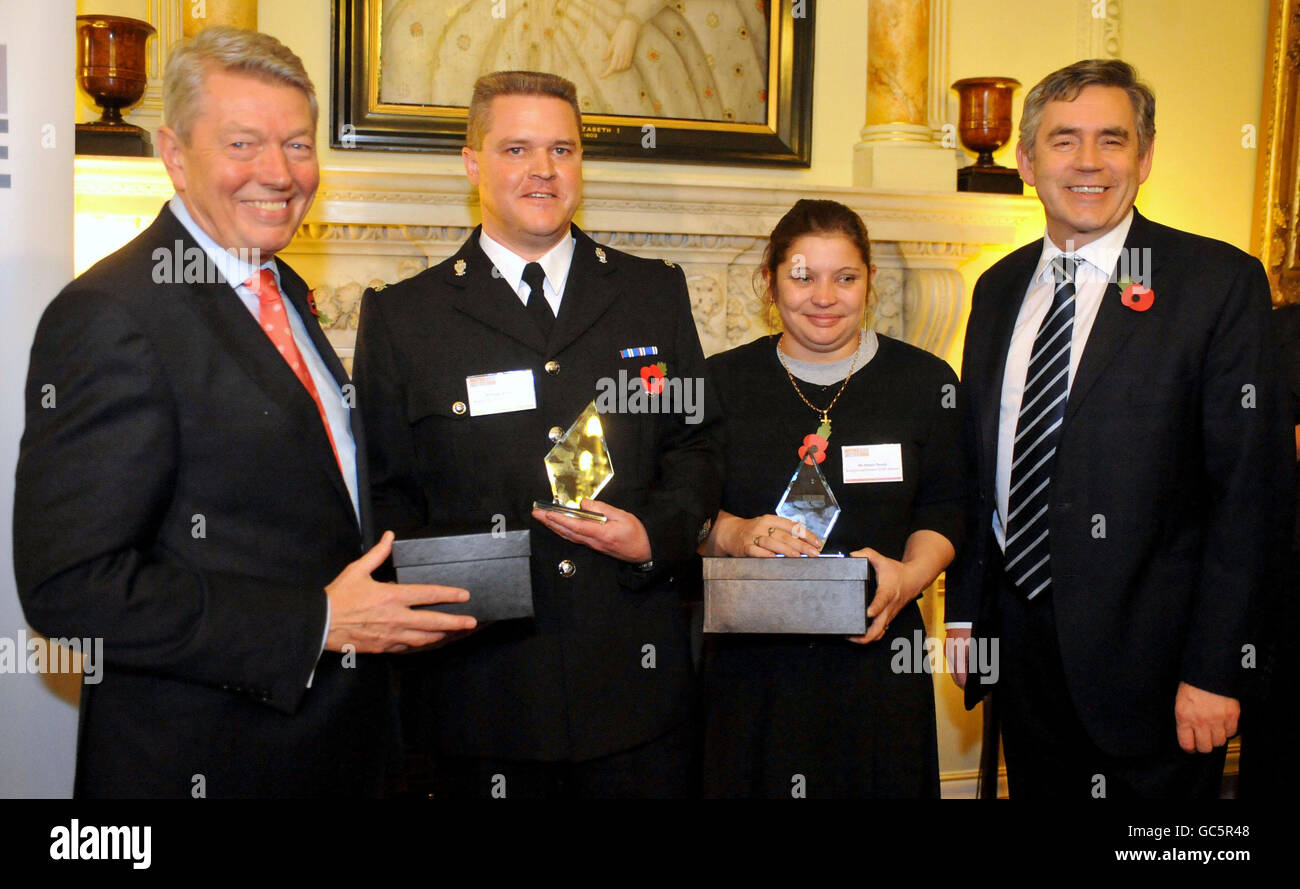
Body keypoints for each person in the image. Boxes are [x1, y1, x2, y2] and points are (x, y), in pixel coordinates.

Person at [13, 27, 475, 798]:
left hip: (332, 750)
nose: (278, 173)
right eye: (243, 143)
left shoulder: (283, 291)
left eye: (297, 145)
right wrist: (317, 623)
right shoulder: (111, 314)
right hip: (201, 762)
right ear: (174, 153)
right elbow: (72, 589)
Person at [352, 70, 721, 798]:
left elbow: (698, 445)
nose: (544, 171)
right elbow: (385, 496)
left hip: (633, 696)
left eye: (563, 149)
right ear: (472, 162)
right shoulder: (404, 317)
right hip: (479, 702)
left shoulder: (651, 292)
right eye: (517, 149)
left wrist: (655, 534)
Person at [945, 59, 1290, 798]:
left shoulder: (1217, 284)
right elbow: (981, 471)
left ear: (1146, 156)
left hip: (1159, 673)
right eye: (1065, 140)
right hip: (1024, 655)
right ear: (1028, 161)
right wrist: (966, 614)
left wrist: (1216, 668)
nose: (1090, 162)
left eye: (1113, 139)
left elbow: (1251, 498)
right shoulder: (997, 287)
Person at [698, 199, 963, 798]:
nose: (824, 296)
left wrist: (910, 576)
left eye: (845, 277)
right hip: (751, 669)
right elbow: (682, 512)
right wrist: (733, 532)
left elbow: (946, 507)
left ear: (869, 282)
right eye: (801, 276)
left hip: (878, 652)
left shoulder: (927, 383)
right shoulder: (719, 383)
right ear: (768, 282)